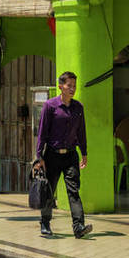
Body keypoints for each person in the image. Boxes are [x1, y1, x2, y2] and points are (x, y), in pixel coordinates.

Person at [34, 71, 93, 239]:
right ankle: (45, 223)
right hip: (52, 155)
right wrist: (39, 157)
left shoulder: (78, 107)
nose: (72, 89)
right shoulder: (50, 106)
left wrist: (84, 153)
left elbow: (81, 132)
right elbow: (42, 133)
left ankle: (78, 226)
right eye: (69, 86)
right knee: (49, 191)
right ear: (61, 86)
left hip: (70, 156)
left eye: (74, 86)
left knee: (73, 190)